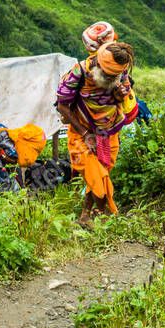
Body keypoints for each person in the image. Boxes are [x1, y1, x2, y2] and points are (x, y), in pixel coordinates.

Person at [55, 41, 139, 225]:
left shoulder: (120, 71)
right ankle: (99, 213)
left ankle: (88, 214)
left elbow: (122, 94)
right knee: (95, 172)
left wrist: (120, 94)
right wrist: (86, 134)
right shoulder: (80, 72)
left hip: (110, 131)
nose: (113, 78)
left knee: (102, 173)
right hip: (81, 131)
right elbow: (62, 105)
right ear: (99, 65)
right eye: (109, 75)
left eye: (115, 75)